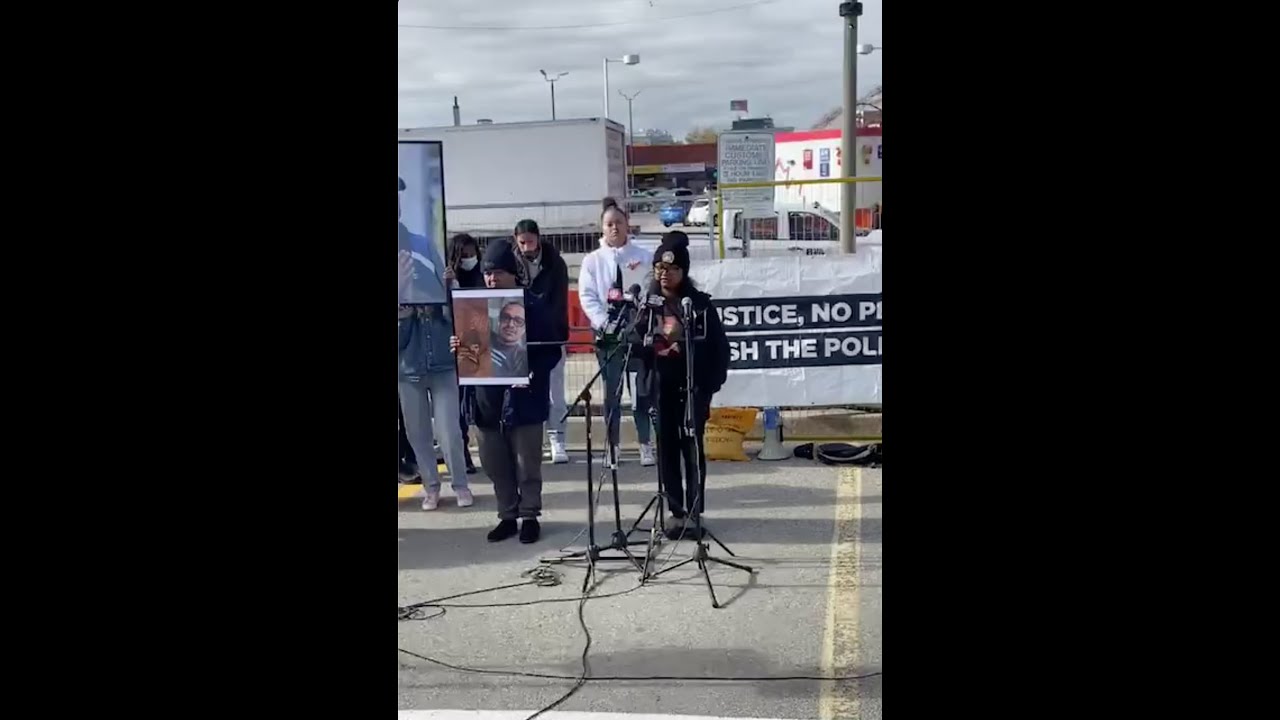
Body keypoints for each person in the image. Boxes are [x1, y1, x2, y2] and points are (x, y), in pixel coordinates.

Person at [452, 237, 560, 543]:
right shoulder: (472, 308)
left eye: (498, 272)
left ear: (513, 273)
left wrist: (532, 370)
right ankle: (507, 515)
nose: (491, 278)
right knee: (495, 463)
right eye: (487, 273)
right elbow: (469, 353)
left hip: (524, 398)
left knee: (527, 463)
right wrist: (457, 348)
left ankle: (529, 516)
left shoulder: (533, 306)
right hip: (488, 400)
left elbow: (552, 350)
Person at [629, 231, 730, 539]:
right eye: (659, 268)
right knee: (667, 451)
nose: (664, 274)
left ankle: (694, 510)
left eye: (671, 269)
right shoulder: (648, 306)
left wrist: (707, 389)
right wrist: (642, 343)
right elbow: (632, 343)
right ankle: (675, 512)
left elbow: (719, 350)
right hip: (661, 388)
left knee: (692, 449)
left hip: (692, 389)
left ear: (683, 272)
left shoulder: (699, 306)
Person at [398, 179, 473, 511]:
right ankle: (431, 486)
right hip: (408, 367)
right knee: (417, 434)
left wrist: (446, 288)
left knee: (449, 430)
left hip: (442, 360)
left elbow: (453, 312)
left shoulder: (423, 243)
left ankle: (461, 483)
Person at [577, 197, 655, 468]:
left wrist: (640, 322)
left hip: (637, 334)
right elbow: (587, 296)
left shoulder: (643, 257)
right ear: (602, 228)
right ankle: (613, 446)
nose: (614, 229)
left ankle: (646, 444)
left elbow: (650, 290)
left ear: (627, 225)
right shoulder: (592, 261)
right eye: (609, 224)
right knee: (613, 393)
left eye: (618, 223)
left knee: (641, 393)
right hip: (608, 336)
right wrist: (603, 323)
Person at [511, 219, 571, 464]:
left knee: (555, 391)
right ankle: (530, 443)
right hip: (518, 338)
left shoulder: (555, 262)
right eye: (521, 242)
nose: (526, 247)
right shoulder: (511, 262)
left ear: (539, 238)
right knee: (525, 390)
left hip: (551, 336)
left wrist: (549, 328)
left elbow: (558, 301)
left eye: (530, 241)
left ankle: (558, 438)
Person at [445, 233, 484, 474]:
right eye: (464, 256)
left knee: (477, 403)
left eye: (472, 254)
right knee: (458, 405)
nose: (469, 259)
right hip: (456, 348)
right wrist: (449, 286)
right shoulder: (450, 279)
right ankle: (462, 453)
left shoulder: (481, 276)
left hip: (480, 346)